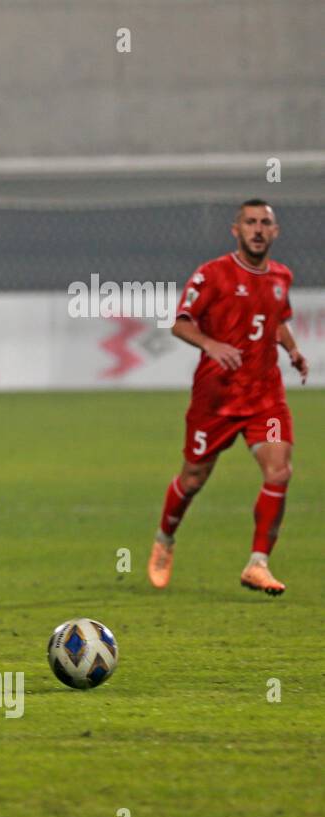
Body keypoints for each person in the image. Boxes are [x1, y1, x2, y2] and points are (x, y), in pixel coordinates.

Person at [148, 199, 308, 595]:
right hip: (216, 399)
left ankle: (258, 563)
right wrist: (211, 344)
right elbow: (181, 325)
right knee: (194, 478)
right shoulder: (212, 274)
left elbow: (274, 321)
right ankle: (165, 539)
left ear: (275, 232)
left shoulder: (280, 277)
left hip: (265, 398)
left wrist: (291, 349)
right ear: (235, 230)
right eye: (249, 222)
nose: (257, 229)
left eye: (264, 223)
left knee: (279, 470)